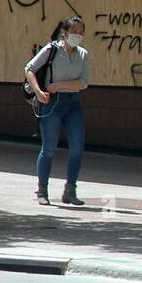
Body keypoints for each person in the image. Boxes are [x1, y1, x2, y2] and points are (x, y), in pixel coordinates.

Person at [24, 16, 91, 206]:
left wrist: (59, 84)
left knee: (77, 148)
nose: (77, 36)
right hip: (51, 103)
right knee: (49, 148)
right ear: (65, 33)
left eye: (81, 33)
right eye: (74, 32)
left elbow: (83, 82)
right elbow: (29, 68)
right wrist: (38, 92)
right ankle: (42, 190)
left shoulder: (83, 55)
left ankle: (70, 191)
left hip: (72, 103)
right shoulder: (51, 50)